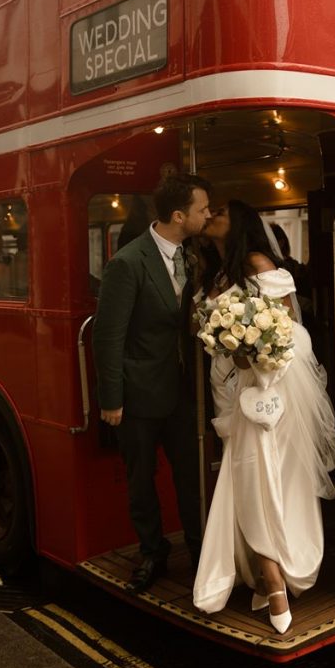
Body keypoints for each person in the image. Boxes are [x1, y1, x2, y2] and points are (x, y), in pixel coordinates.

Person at [193, 200, 335, 634]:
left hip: (267, 389)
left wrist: (254, 358)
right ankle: (262, 569)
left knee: (262, 475)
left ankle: (274, 577)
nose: (209, 216)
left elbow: (291, 332)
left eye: (216, 212)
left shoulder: (259, 263)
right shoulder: (217, 272)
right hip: (230, 389)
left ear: (236, 223)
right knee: (246, 476)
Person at [92, 172, 212, 593]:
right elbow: (108, 336)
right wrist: (112, 399)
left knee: (191, 478)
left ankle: (202, 556)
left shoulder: (193, 256)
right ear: (179, 216)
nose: (208, 216)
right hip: (138, 395)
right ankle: (152, 551)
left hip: (183, 393)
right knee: (141, 482)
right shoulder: (127, 263)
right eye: (203, 210)